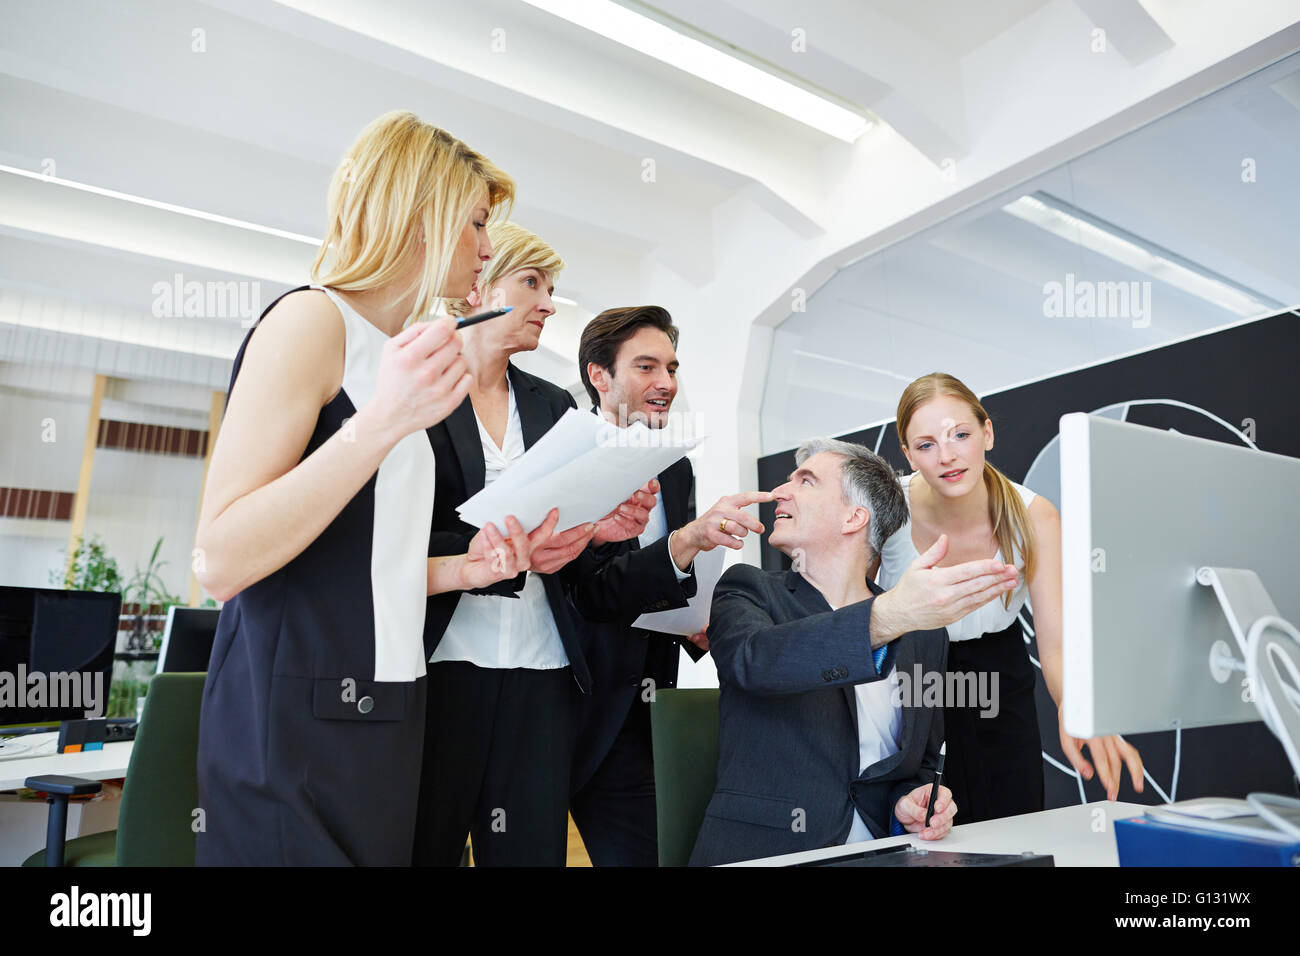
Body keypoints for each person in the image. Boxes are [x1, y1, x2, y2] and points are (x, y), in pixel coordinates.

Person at [194, 111, 534, 865]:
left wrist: (464, 569)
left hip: (389, 706)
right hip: (292, 720)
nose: (487, 247)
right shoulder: (311, 321)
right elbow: (218, 558)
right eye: (476, 223)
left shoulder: (394, 357)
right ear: (421, 215)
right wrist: (379, 424)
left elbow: (356, 569)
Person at [413, 222, 659, 867]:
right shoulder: (417, 387)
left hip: (542, 670)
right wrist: (492, 545)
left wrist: (597, 529)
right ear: (475, 288)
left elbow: (572, 558)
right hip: (440, 663)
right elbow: (391, 533)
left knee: (529, 854)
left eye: (552, 288)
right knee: (423, 848)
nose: (549, 303)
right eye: (532, 283)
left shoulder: (554, 406)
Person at [691, 437, 1017, 866]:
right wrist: (885, 618)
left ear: (854, 517)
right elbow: (756, 662)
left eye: (806, 482)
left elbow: (917, 763)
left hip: (884, 852)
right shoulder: (748, 589)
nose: (779, 493)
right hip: (767, 854)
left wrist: (910, 802)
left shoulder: (922, 633)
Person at [876, 372, 1145, 824]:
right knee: (921, 831)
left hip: (997, 676)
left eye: (960, 434)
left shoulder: (1034, 515)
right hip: (908, 677)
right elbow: (849, 615)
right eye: (925, 445)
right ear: (907, 455)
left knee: (1012, 827)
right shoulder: (885, 508)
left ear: (988, 432)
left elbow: (1055, 647)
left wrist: (1076, 707)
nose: (947, 456)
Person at [567, 305, 770, 866]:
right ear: (599, 375)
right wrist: (682, 547)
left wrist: (695, 625)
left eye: (673, 369)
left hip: (648, 704)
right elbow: (592, 590)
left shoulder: (677, 465)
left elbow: (660, 577)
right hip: (575, 706)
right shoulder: (567, 458)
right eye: (647, 367)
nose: (666, 384)